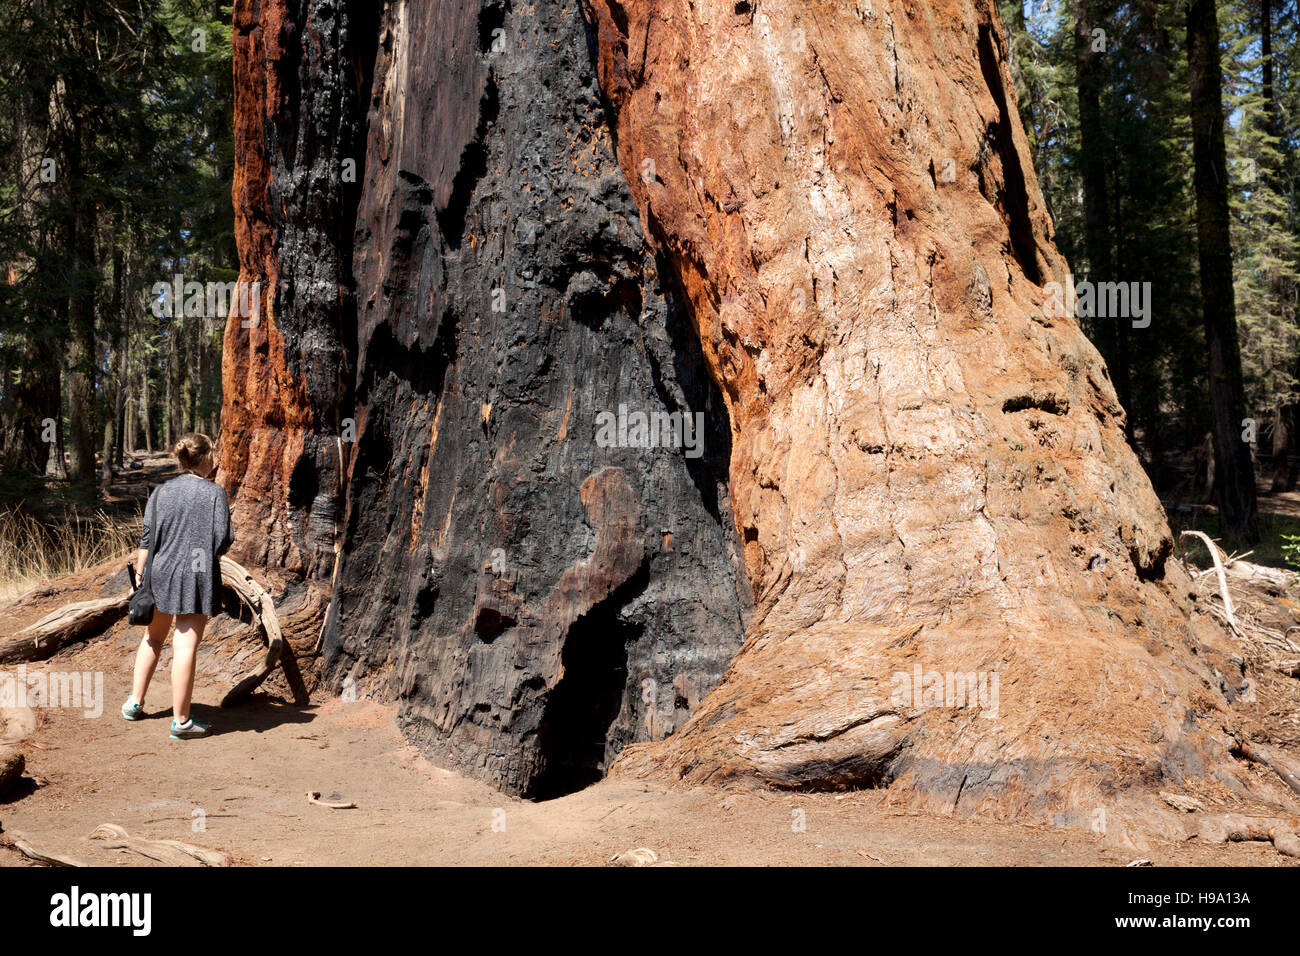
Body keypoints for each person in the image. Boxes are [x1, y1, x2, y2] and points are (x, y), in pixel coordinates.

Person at [121, 433, 233, 739]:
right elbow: (223, 538)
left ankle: (134, 703)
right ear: (206, 458)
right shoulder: (214, 493)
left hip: (158, 572)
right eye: (214, 454)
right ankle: (182, 722)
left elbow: (147, 538)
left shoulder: (161, 492)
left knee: (153, 638)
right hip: (194, 575)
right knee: (185, 646)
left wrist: (141, 575)